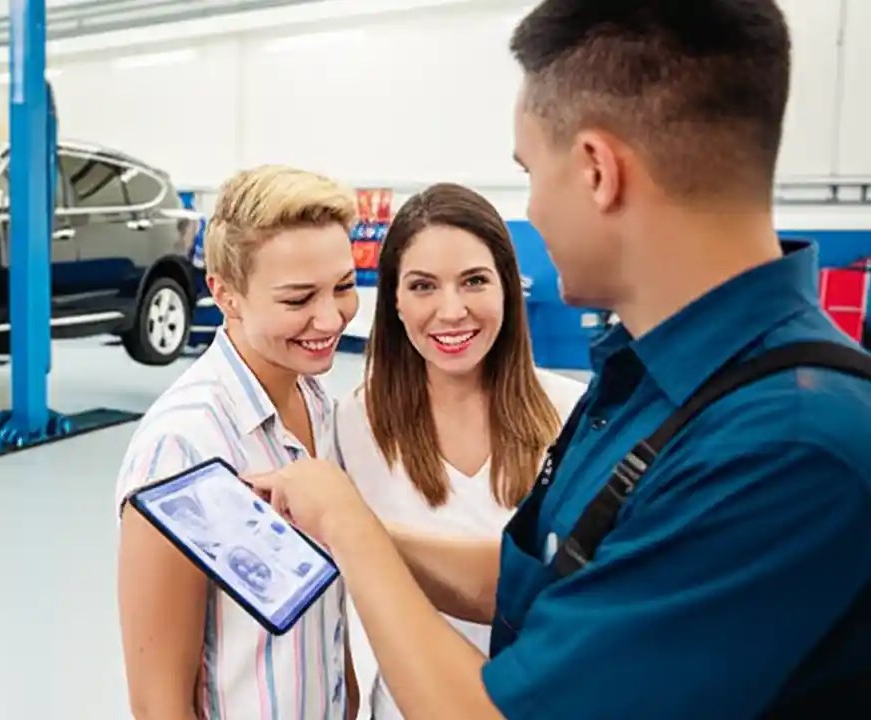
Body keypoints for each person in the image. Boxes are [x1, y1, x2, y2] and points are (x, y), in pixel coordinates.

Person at [247, 1, 871, 718]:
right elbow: (530, 582)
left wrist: (353, 534)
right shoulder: (650, 390)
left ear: (597, 170)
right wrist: (350, 522)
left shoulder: (785, 447)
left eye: (531, 172)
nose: (534, 212)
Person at [115, 164, 361, 719]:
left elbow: (322, 607)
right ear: (225, 294)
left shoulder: (319, 405)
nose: (330, 317)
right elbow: (159, 700)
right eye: (299, 300)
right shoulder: (184, 446)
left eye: (343, 287)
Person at [334, 182, 585, 718]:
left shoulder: (575, 417)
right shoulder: (351, 427)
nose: (452, 311)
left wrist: (357, 532)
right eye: (423, 286)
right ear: (394, 300)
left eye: (474, 281)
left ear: (507, 290)